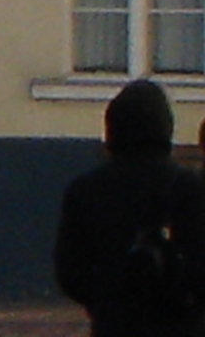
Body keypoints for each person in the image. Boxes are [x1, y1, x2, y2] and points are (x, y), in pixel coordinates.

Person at [53, 77, 205, 336]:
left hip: (114, 324)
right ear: (165, 127)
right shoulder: (189, 187)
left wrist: (104, 299)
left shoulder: (86, 190)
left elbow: (69, 271)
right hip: (179, 325)